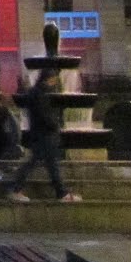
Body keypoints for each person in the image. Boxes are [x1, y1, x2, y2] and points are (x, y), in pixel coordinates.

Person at [7, 64, 82, 203]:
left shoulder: (35, 92)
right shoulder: (41, 94)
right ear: (49, 78)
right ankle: (16, 189)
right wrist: (55, 124)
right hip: (45, 134)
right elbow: (44, 115)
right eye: (53, 79)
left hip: (39, 133)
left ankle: (60, 192)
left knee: (46, 163)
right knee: (40, 163)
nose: (55, 82)